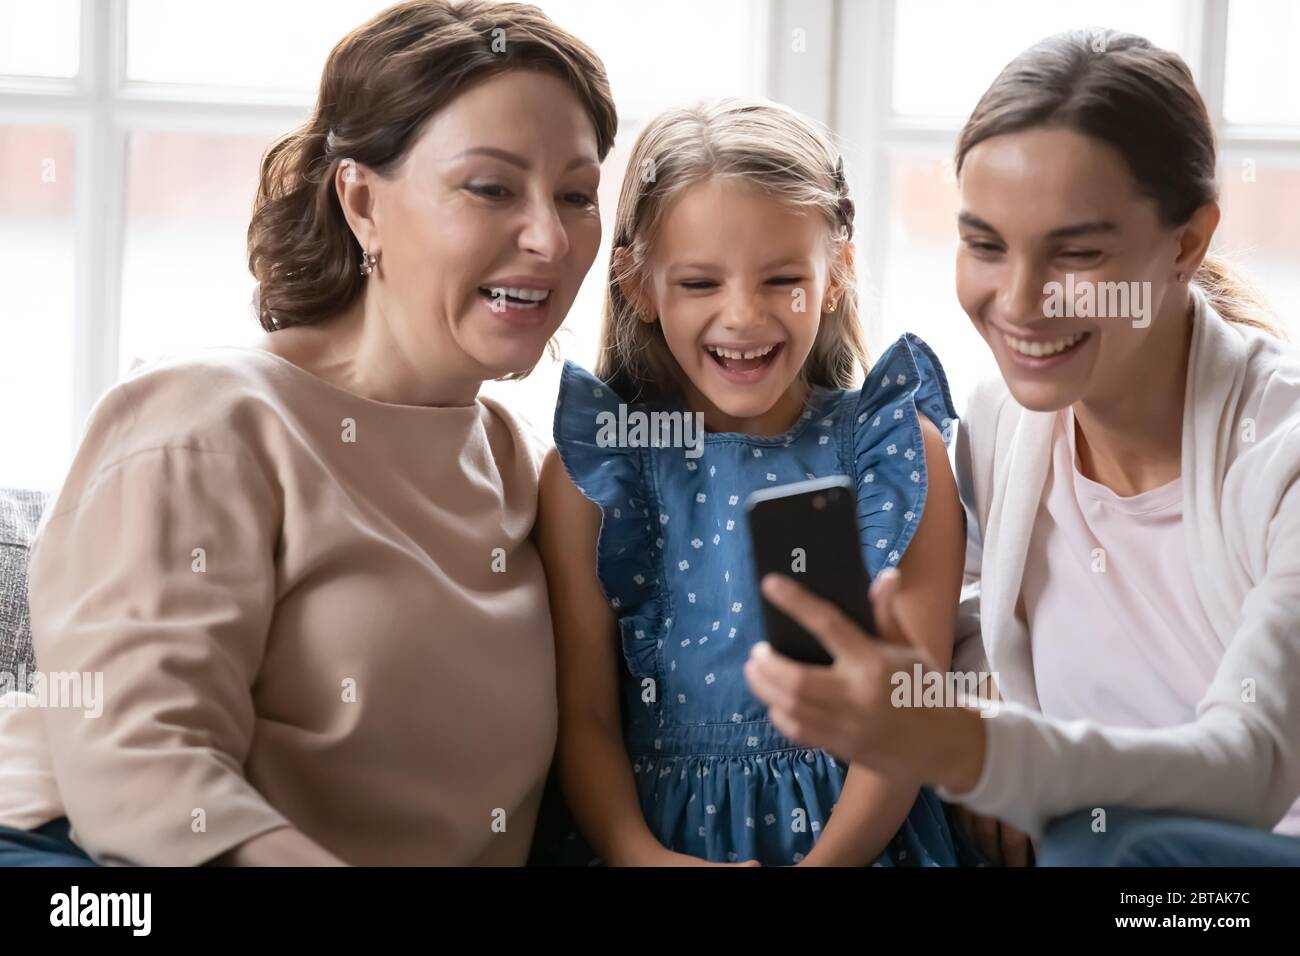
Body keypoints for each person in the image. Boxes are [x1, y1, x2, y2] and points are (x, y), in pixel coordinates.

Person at [0, 0, 617, 866]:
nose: (549, 237)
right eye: (491, 187)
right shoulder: (206, 423)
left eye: (577, 195)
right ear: (361, 199)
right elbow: (145, 772)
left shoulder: (528, 469)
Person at [744, 29, 1300, 866]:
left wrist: (977, 749)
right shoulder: (1002, 426)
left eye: (1077, 254)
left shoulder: (1281, 457)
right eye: (985, 245)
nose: (1022, 302)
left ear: (1187, 244)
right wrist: (966, 683)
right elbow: (977, 614)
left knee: (1105, 847)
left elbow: (1251, 765)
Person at [536, 99, 981, 866]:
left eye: (782, 279)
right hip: (650, 840)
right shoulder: (598, 472)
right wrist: (640, 857)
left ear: (835, 275)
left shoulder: (895, 454)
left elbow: (910, 708)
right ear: (640, 286)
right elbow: (586, 717)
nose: (742, 317)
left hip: (861, 841)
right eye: (700, 283)